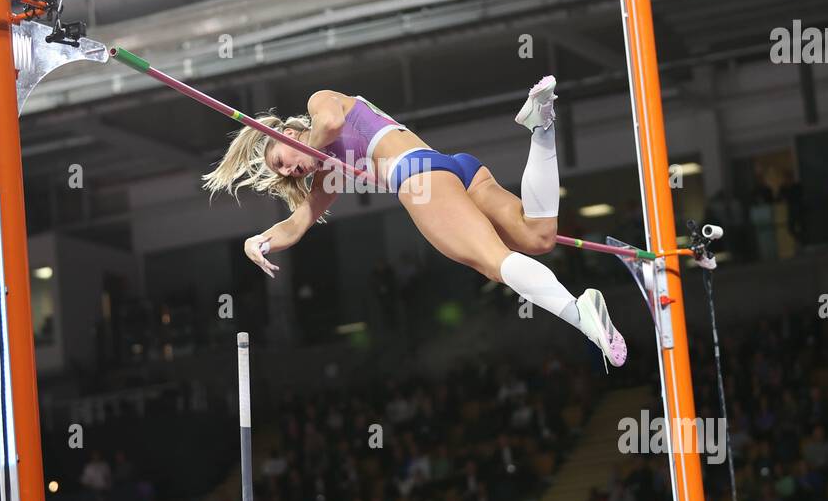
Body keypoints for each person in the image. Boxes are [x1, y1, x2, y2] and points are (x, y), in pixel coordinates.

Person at [200, 77, 626, 367]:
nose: (293, 170)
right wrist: (257, 241)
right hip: (455, 167)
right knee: (538, 236)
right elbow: (298, 222)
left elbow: (329, 122)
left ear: (289, 134)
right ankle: (541, 128)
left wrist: (312, 152)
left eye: (284, 160)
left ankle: (579, 313)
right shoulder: (329, 166)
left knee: (491, 262)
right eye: (287, 175)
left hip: (417, 174)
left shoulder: (320, 106)